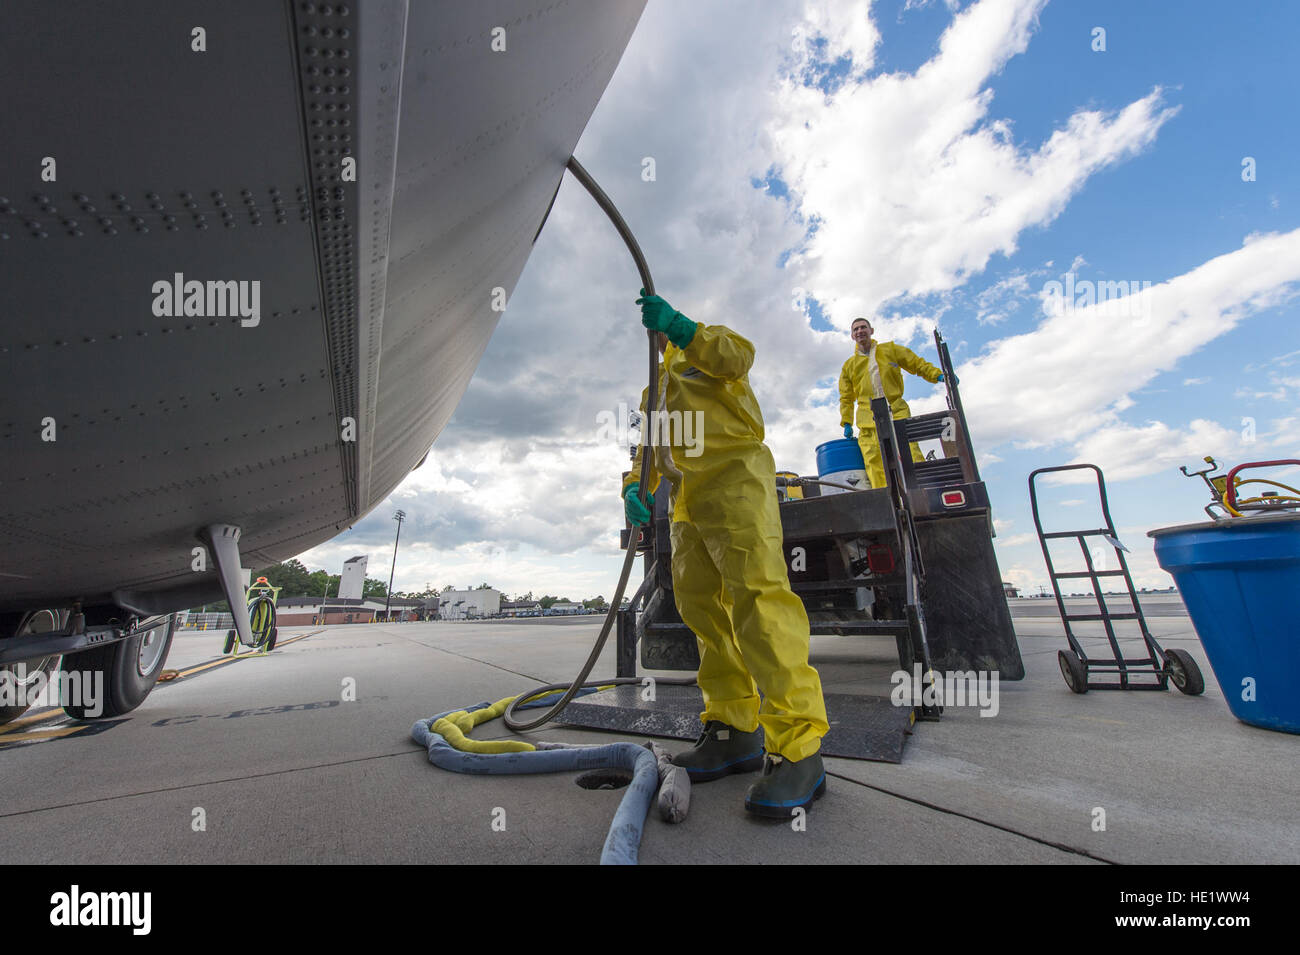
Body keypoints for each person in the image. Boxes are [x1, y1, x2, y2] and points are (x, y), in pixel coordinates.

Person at [623, 290, 830, 817]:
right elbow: (648, 450)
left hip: (737, 486)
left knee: (761, 609)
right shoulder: (657, 388)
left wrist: (683, 328)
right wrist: (633, 487)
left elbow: (741, 355)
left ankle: (800, 750)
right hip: (688, 505)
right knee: (703, 613)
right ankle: (734, 730)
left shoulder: (708, 353)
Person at [838, 317, 946, 489]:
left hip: (896, 412)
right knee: (874, 461)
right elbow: (846, 397)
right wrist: (847, 422)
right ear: (852, 336)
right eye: (855, 329)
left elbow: (916, 364)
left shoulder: (890, 350)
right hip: (869, 420)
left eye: (863, 327)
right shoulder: (849, 366)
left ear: (871, 330)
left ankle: (924, 491)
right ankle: (888, 500)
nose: (860, 331)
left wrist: (938, 375)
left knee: (910, 453)